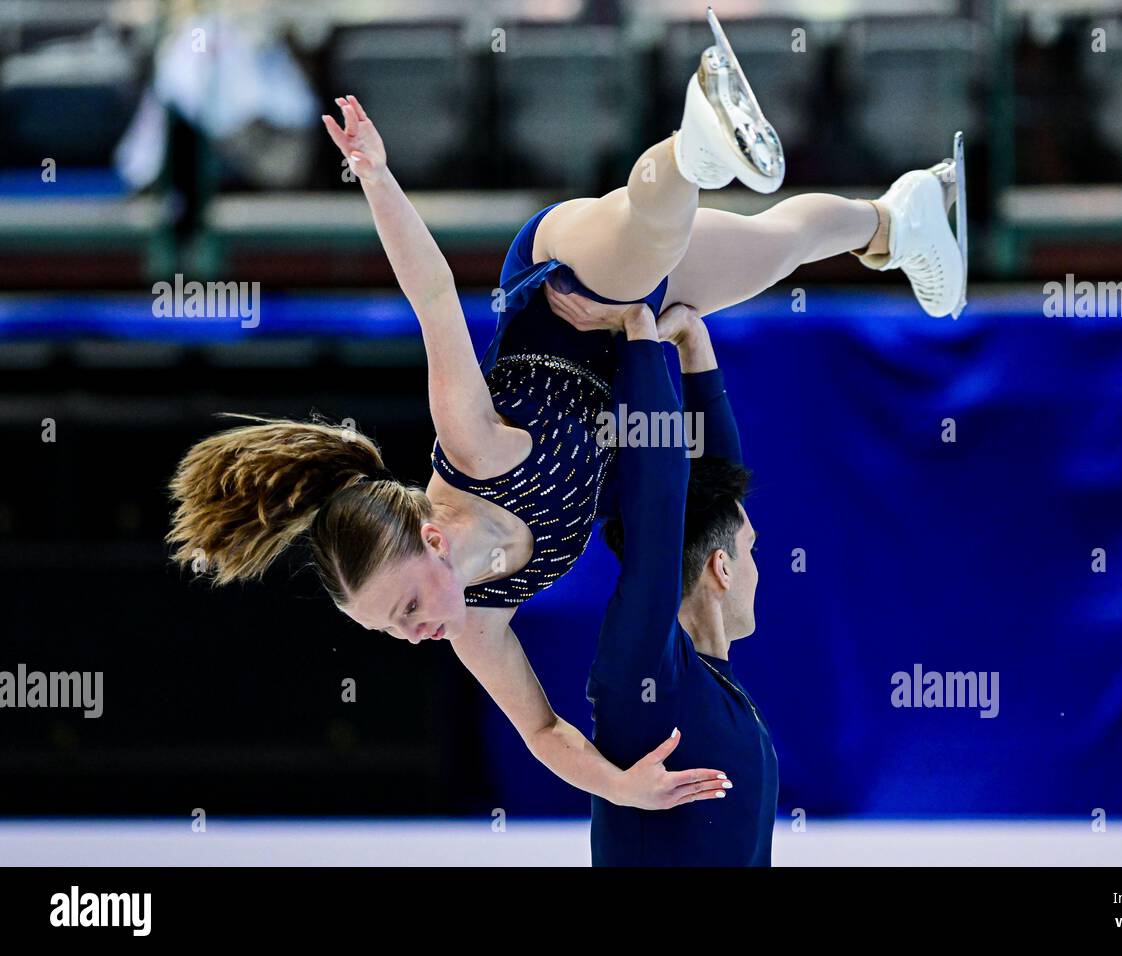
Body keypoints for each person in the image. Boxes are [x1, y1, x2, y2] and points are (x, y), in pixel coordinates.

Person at [167, 10, 961, 810]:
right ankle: (901, 218)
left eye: (407, 607)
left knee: (642, 242)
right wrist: (624, 788)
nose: (412, 635)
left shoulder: (470, 449)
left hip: (557, 282)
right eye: (391, 631)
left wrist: (375, 176)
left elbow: (434, 299)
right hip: (626, 345)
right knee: (780, 245)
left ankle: (695, 142)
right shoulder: (476, 629)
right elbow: (543, 732)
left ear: (433, 538)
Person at [575, 300, 775, 866]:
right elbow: (662, 506)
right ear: (722, 568)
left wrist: (692, 343)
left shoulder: (709, 682)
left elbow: (712, 498)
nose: (760, 571)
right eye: (751, 551)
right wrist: (639, 340)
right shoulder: (652, 676)